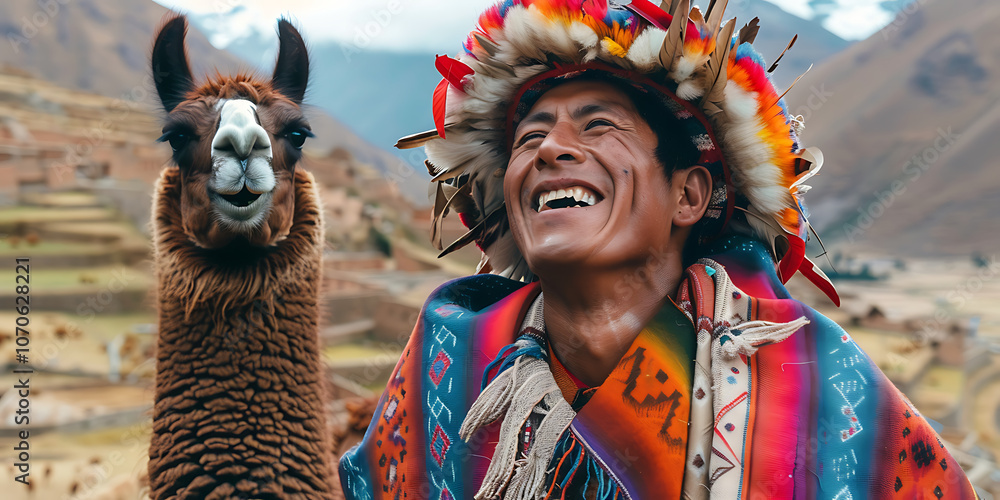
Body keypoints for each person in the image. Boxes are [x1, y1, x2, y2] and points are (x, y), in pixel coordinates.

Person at [339, 1, 981, 498]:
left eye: (598, 126)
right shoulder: (450, 362)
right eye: (530, 136)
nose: (550, 149)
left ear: (689, 196)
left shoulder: (813, 386)